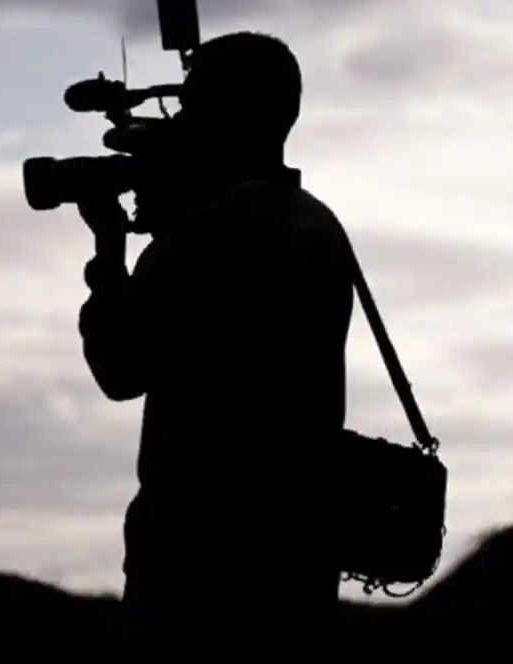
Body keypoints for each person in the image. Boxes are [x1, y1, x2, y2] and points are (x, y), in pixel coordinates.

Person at [76, 32, 355, 649]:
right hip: (296, 565)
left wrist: (109, 253)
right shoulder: (318, 223)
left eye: (191, 105)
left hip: (197, 575)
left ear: (226, 115)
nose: (178, 124)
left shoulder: (212, 235)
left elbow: (118, 366)